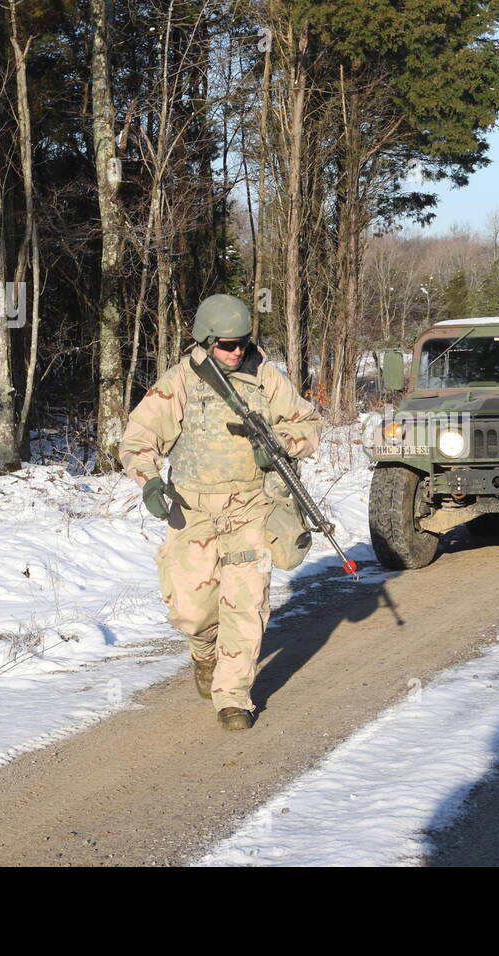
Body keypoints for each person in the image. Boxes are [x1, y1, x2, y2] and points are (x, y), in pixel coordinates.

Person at [118, 294, 323, 730]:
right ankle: (204, 651)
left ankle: (233, 696)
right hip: (191, 507)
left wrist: (280, 445)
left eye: (243, 344)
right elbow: (138, 437)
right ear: (206, 339)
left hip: (250, 504)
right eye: (227, 344)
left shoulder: (266, 376)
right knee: (190, 610)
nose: (236, 352)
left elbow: (308, 424)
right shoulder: (180, 382)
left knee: (246, 602)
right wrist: (149, 479)